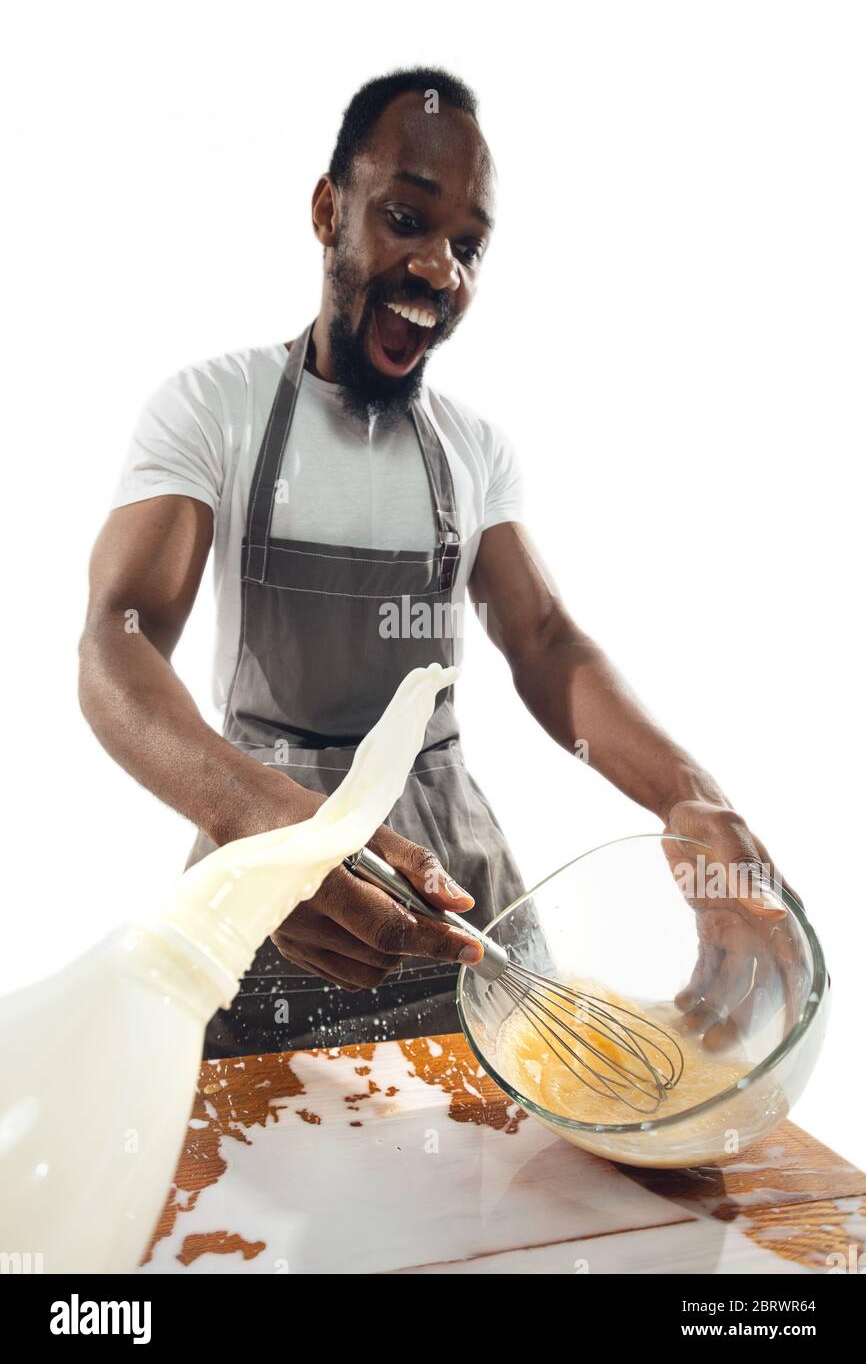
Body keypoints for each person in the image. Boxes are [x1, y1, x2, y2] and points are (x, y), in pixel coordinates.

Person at [79, 66, 794, 1058]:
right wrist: (269, 826)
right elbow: (115, 644)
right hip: (267, 872)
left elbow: (544, 640)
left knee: (530, 1127)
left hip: (460, 883)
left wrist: (690, 798)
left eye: (467, 245)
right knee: (254, 1147)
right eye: (406, 219)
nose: (439, 269)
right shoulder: (214, 409)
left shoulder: (472, 449)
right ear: (329, 210)